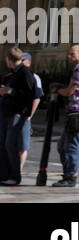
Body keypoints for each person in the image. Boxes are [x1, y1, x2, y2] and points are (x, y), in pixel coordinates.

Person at [51, 44, 79, 187]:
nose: (69, 57)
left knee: (71, 145)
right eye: (69, 54)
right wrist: (61, 86)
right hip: (76, 110)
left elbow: (69, 92)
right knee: (63, 145)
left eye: (72, 54)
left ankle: (70, 177)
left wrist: (57, 90)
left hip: (77, 111)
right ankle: (68, 174)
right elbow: (73, 88)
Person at [0, 47, 38, 186]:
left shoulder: (25, 73)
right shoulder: (13, 74)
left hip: (18, 113)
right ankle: (4, 174)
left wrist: (9, 91)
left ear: (9, 59)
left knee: (11, 144)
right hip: (7, 112)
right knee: (3, 144)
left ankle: (15, 176)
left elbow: (30, 94)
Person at [18, 53, 41, 177]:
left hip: (24, 115)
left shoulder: (34, 77)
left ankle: (19, 170)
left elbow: (36, 98)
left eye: (23, 60)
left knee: (22, 145)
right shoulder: (14, 75)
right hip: (13, 115)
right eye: (19, 60)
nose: (21, 62)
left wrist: (30, 115)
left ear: (29, 62)